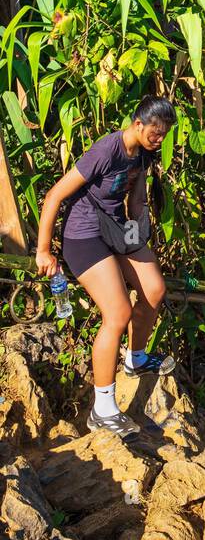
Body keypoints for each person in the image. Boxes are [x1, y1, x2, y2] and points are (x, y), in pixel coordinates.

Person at [36, 96, 177, 438]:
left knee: (155, 290)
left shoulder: (144, 154)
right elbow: (54, 196)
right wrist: (43, 250)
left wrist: (139, 231)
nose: (159, 140)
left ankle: (137, 358)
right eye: (155, 134)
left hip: (117, 230)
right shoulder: (106, 150)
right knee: (117, 314)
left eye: (164, 135)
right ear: (138, 124)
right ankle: (102, 408)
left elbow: (137, 198)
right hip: (83, 236)